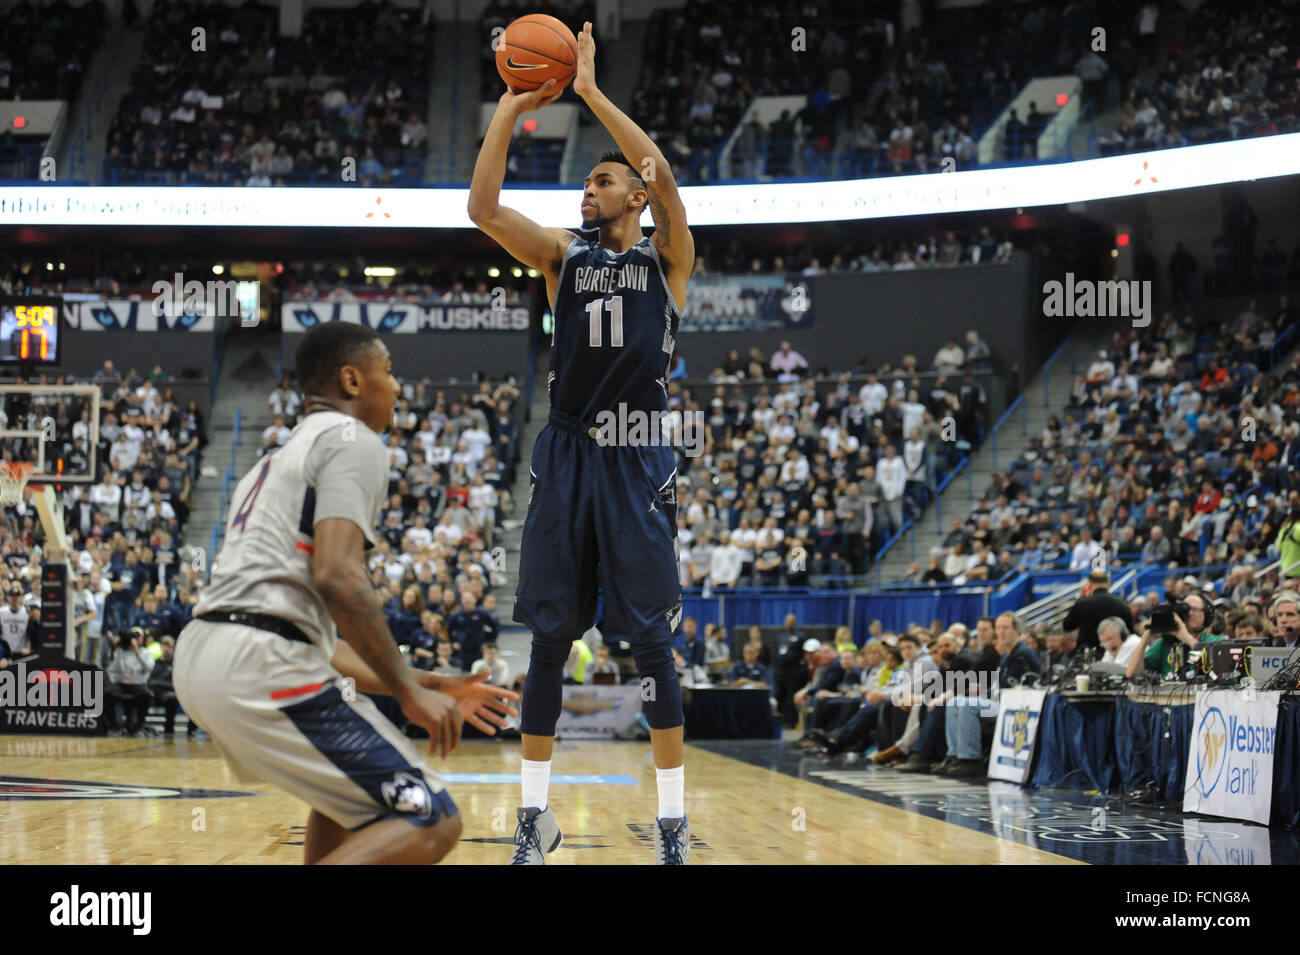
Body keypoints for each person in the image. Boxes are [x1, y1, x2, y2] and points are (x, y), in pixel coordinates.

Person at [469, 21, 695, 865]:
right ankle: (534, 821)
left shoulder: (667, 259)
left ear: (631, 197)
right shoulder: (563, 258)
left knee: (651, 644)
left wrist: (591, 92)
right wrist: (509, 108)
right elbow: (482, 208)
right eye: (588, 182)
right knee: (550, 638)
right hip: (566, 452)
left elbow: (663, 175)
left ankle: (671, 826)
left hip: (636, 454)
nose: (587, 191)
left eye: (601, 181)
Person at [172, 322, 518, 865]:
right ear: (353, 381)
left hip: (206, 655)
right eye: (389, 371)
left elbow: (314, 641)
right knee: (428, 816)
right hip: (259, 660)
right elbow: (339, 576)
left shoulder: (273, 460)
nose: (398, 386)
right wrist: (409, 694)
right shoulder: (354, 440)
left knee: (346, 803)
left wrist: (428, 681)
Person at [937, 612, 1038, 777]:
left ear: (1017, 630)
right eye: (999, 628)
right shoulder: (1007, 654)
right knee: (954, 701)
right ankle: (954, 755)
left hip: (1015, 707)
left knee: (967, 705)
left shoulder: (1023, 653)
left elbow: (1032, 684)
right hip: (999, 701)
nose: (1001, 632)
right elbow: (998, 685)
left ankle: (970, 759)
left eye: (1005, 628)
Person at [1061, 570, 1134, 653]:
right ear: (1108, 582)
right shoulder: (1122, 605)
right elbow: (1130, 633)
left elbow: (1067, 626)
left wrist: (1081, 599)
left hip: (1088, 655)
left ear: (1089, 584)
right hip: (1114, 653)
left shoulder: (1082, 603)